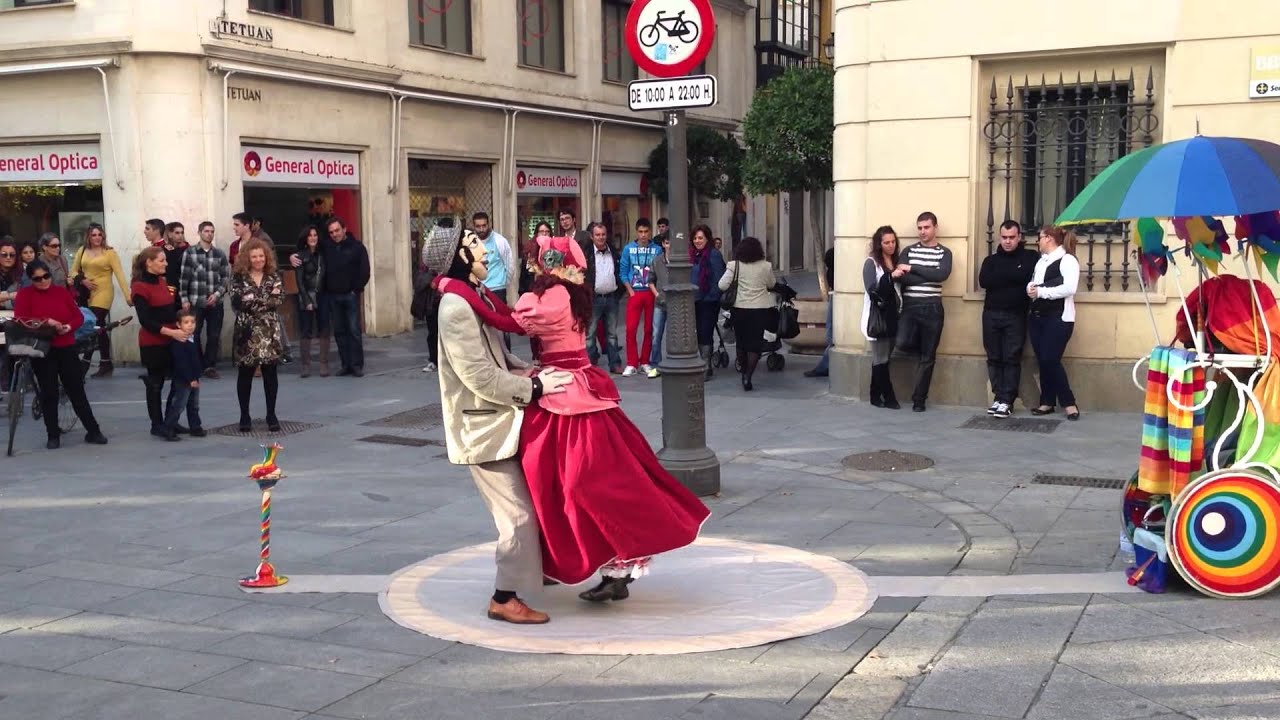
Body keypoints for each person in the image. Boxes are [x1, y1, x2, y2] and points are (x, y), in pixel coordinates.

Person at [444, 234, 711, 602]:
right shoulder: (568, 291)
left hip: (564, 395)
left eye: (537, 259)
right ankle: (589, 564)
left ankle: (600, 563)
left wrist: (459, 288)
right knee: (586, 483)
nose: (532, 265)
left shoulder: (551, 294)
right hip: (575, 388)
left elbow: (507, 321)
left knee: (573, 486)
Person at [433, 229, 573, 625]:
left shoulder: (472, 295)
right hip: (483, 429)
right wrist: (534, 387)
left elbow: (496, 354)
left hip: (502, 419)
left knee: (538, 500)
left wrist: (528, 369)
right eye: (475, 245)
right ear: (459, 257)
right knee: (518, 516)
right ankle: (503, 598)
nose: (486, 251)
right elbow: (478, 375)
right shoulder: (455, 307)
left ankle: (538, 569)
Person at [14, 260, 109, 449]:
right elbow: (21, 319)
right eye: (37, 279)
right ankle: (53, 435)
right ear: (31, 279)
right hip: (42, 348)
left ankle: (93, 430)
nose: (43, 281)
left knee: (76, 390)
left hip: (65, 345)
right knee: (49, 392)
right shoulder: (25, 295)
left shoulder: (60, 292)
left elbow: (78, 316)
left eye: (46, 276)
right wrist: (46, 322)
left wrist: (68, 327)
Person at [978, 220, 1039, 418]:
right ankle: (998, 397)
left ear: (1019, 237)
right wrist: (1015, 276)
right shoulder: (991, 260)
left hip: (1016, 315)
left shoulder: (1030, 257)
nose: (1007, 241)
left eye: (1012, 237)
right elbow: (984, 281)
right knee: (993, 357)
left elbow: (1027, 276)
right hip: (991, 314)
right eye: (1004, 237)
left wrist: (1003, 277)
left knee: (1012, 357)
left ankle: (1007, 400)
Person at [894, 211, 953, 412]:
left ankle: (919, 399)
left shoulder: (944, 253)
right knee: (901, 342)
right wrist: (929, 274)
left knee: (928, 357)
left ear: (935, 228)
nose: (922, 231)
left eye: (926, 227)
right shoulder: (908, 251)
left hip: (933, 307)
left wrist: (913, 268)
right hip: (910, 307)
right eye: (919, 228)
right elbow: (902, 278)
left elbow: (942, 274)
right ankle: (918, 346)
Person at [132, 246, 189, 438]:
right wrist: (171, 332)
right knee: (155, 384)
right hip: (153, 341)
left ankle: (170, 420)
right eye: (161, 260)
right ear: (149, 263)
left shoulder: (162, 281)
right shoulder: (139, 287)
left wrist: (183, 321)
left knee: (177, 380)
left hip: (172, 337)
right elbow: (146, 320)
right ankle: (157, 425)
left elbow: (170, 310)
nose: (166, 263)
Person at [230, 239, 285, 433]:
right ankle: (244, 416)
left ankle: (272, 414)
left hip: (269, 331)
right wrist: (263, 300)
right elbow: (237, 301)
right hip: (247, 331)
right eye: (254, 256)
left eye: (261, 256)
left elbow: (278, 299)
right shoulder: (238, 277)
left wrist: (253, 299)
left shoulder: (274, 276)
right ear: (247, 258)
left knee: (270, 373)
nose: (258, 259)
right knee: (245, 374)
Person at [1028, 226, 1082, 421]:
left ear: (1049, 238)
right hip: (1037, 317)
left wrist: (1042, 292)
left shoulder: (1068, 260)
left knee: (1051, 359)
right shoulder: (1042, 261)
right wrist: (1031, 288)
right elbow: (1034, 282)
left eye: (1040, 237)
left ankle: (1069, 403)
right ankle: (1047, 401)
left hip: (1058, 318)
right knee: (1043, 360)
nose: (1038, 241)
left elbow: (1069, 288)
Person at [70, 223, 131, 378]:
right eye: (93, 235)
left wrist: (128, 296)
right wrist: (82, 280)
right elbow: (73, 271)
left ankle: (84, 364)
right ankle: (106, 363)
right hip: (86, 293)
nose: (97, 238)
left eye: (99, 235)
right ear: (88, 237)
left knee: (95, 324)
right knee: (99, 327)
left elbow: (120, 275)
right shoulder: (82, 250)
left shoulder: (109, 253)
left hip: (104, 292)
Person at [718, 236, 776, 392]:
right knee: (755, 344)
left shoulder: (734, 265)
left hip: (740, 309)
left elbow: (722, 285)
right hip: (760, 310)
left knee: (741, 343)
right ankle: (748, 376)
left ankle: (743, 371)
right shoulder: (766, 266)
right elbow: (771, 284)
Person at [179, 221, 231, 379]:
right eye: (206, 231)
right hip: (196, 301)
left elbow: (225, 278)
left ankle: (209, 366)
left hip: (215, 302)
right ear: (199, 232)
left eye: (212, 231)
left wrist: (217, 294)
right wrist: (184, 299)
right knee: (194, 333)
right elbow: (184, 278)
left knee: (214, 335)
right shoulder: (190, 253)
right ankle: (197, 364)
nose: (209, 234)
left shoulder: (219, 254)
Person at [319, 217, 369, 377]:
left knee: (354, 330)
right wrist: (294, 256)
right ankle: (345, 364)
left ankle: (356, 365)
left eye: (337, 230)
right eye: (331, 232)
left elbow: (365, 271)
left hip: (350, 295)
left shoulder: (357, 247)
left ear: (344, 229)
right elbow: (308, 247)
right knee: (339, 331)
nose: (335, 234)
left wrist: (356, 289)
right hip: (333, 296)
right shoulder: (327, 247)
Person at [861, 226, 902, 408]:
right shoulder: (871, 263)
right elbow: (873, 291)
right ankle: (889, 397)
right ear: (879, 244)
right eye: (886, 242)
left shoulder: (896, 261)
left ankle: (874, 395)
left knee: (884, 357)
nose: (891, 245)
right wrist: (891, 277)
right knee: (880, 358)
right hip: (877, 317)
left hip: (893, 315)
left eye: (893, 242)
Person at [618, 218, 662, 377]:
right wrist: (630, 291)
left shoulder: (657, 250)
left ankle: (644, 361)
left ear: (650, 232)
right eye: (640, 232)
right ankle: (631, 363)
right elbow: (623, 271)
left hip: (650, 292)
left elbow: (660, 271)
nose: (643, 235)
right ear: (637, 232)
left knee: (649, 329)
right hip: (635, 292)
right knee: (630, 329)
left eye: (646, 231)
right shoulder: (628, 249)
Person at [419, 217, 461, 373]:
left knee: (450, 330)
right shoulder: (430, 251)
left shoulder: (455, 251)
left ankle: (449, 360)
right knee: (433, 330)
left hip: (449, 295)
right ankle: (434, 359)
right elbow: (423, 269)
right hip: (434, 297)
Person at [583, 221, 623, 373]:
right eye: (598, 235)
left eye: (603, 234)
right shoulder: (587, 253)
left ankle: (615, 363)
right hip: (594, 299)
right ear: (592, 237)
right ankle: (590, 363)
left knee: (612, 333)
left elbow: (619, 271)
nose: (601, 237)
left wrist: (618, 293)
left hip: (612, 297)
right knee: (590, 333)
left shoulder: (613, 251)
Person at [690, 224, 727, 380]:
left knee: (706, 331)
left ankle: (706, 365)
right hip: (694, 300)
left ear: (707, 239)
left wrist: (712, 296)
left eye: (700, 238)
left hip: (709, 301)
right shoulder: (692, 254)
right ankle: (702, 362)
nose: (697, 241)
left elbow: (719, 279)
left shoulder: (714, 254)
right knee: (698, 332)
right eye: (695, 238)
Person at [162, 310, 205, 441]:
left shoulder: (194, 338)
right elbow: (181, 363)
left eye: (193, 322)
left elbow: (196, 358)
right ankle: (169, 427)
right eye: (186, 322)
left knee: (194, 404)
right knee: (179, 404)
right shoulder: (178, 342)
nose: (190, 325)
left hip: (194, 377)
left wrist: (198, 374)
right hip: (183, 379)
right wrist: (190, 378)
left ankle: (195, 426)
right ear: (178, 325)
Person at [293, 225, 327, 378]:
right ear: (305, 239)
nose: (313, 238)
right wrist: (306, 300)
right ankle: (305, 365)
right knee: (306, 330)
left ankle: (324, 364)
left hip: (323, 295)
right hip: (306, 295)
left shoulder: (323, 254)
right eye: (310, 235)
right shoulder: (300, 256)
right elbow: (299, 281)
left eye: (315, 235)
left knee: (324, 329)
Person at [806, 245, 837, 379]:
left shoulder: (833, 271)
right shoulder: (833, 271)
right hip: (834, 296)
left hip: (835, 298)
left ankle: (824, 366)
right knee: (830, 332)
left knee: (831, 333)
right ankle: (825, 365)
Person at [647, 234, 671, 378]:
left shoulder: (680, 259)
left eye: (671, 243)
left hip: (675, 303)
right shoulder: (657, 261)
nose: (669, 246)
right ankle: (656, 364)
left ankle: (672, 363)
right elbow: (650, 280)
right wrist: (656, 294)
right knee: (656, 334)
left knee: (673, 335)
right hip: (660, 303)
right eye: (667, 243)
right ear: (663, 244)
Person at [162, 222, 189, 289]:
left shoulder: (188, 249)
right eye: (177, 233)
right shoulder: (164, 249)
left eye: (182, 233)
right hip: (168, 285)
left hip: (184, 285)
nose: (180, 235)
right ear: (170, 234)